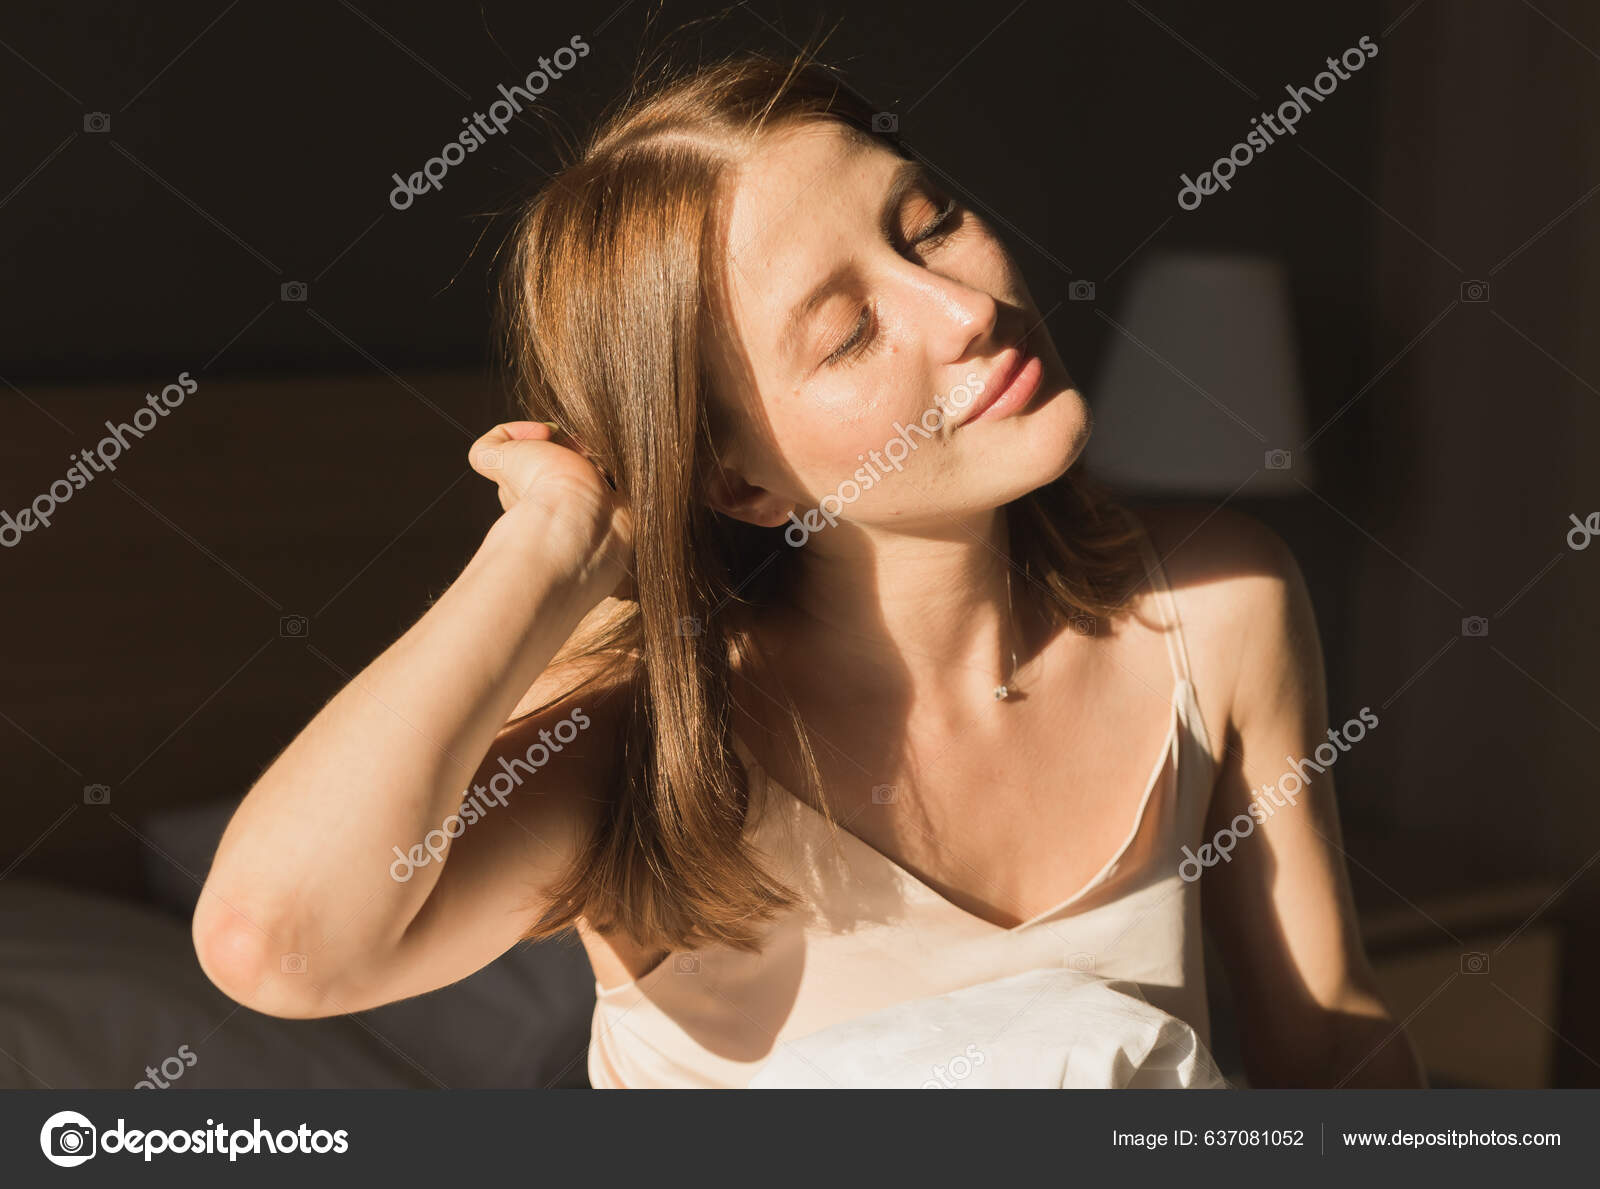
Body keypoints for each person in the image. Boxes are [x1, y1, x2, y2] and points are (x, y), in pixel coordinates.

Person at [193, 48, 1424, 1090]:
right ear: (738, 482)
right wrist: (548, 544)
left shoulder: (1212, 607)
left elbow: (1327, 1044)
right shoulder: (646, 730)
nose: (960, 311)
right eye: (846, 333)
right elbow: (277, 944)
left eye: (928, 222)